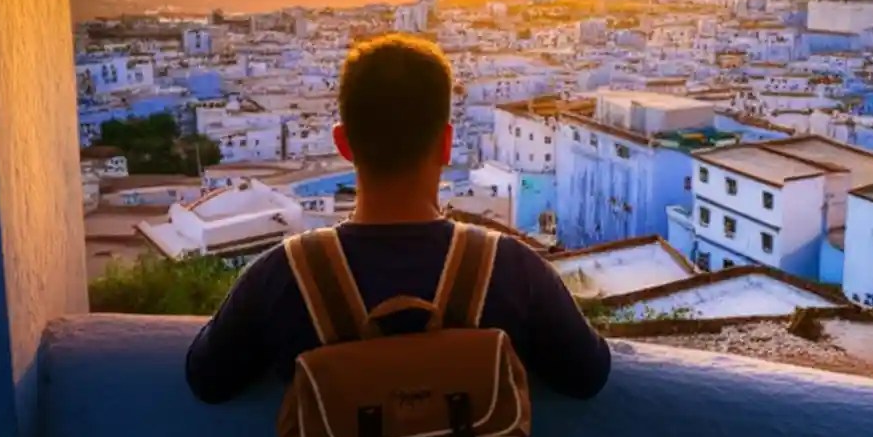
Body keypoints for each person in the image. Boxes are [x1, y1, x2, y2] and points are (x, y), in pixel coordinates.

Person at [186, 34, 611, 403]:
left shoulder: (284, 275)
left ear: (342, 143)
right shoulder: (512, 270)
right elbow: (587, 376)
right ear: (446, 144)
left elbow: (207, 379)